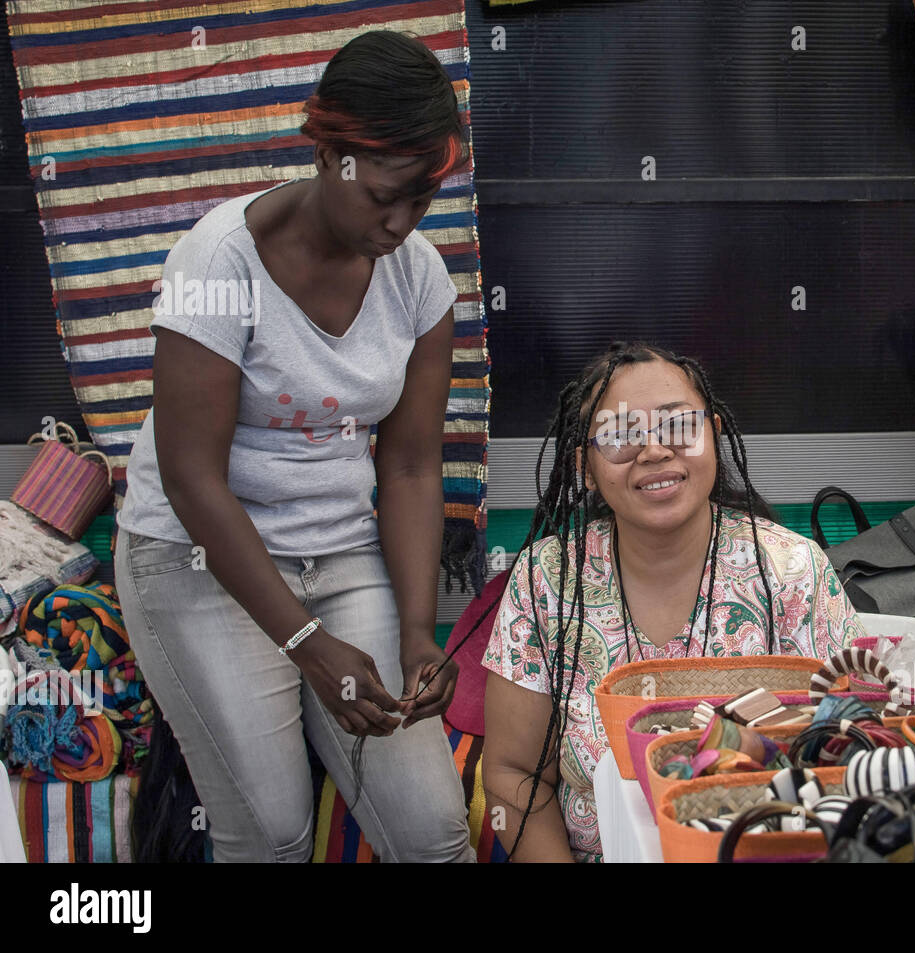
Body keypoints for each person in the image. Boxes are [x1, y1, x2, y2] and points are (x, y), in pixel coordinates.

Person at [113, 31, 476, 862]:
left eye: (421, 200)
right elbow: (192, 478)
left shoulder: (420, 278)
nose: (400, 224)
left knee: (434, 831)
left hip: (337, 551)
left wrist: (417, 632)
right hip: (194, 555)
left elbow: (410, 465)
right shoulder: (218, 263)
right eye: (383, 196)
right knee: (272, 834)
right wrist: (307, 644)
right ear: (326, 155)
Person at [481, 342, 867, 862]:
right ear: (586, 467)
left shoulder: (794, 571)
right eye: (620, 435)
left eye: (679, 425)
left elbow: (849, 753)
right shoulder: (545, 580)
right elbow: (513, 773)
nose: (654, 451)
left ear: (714, 436)